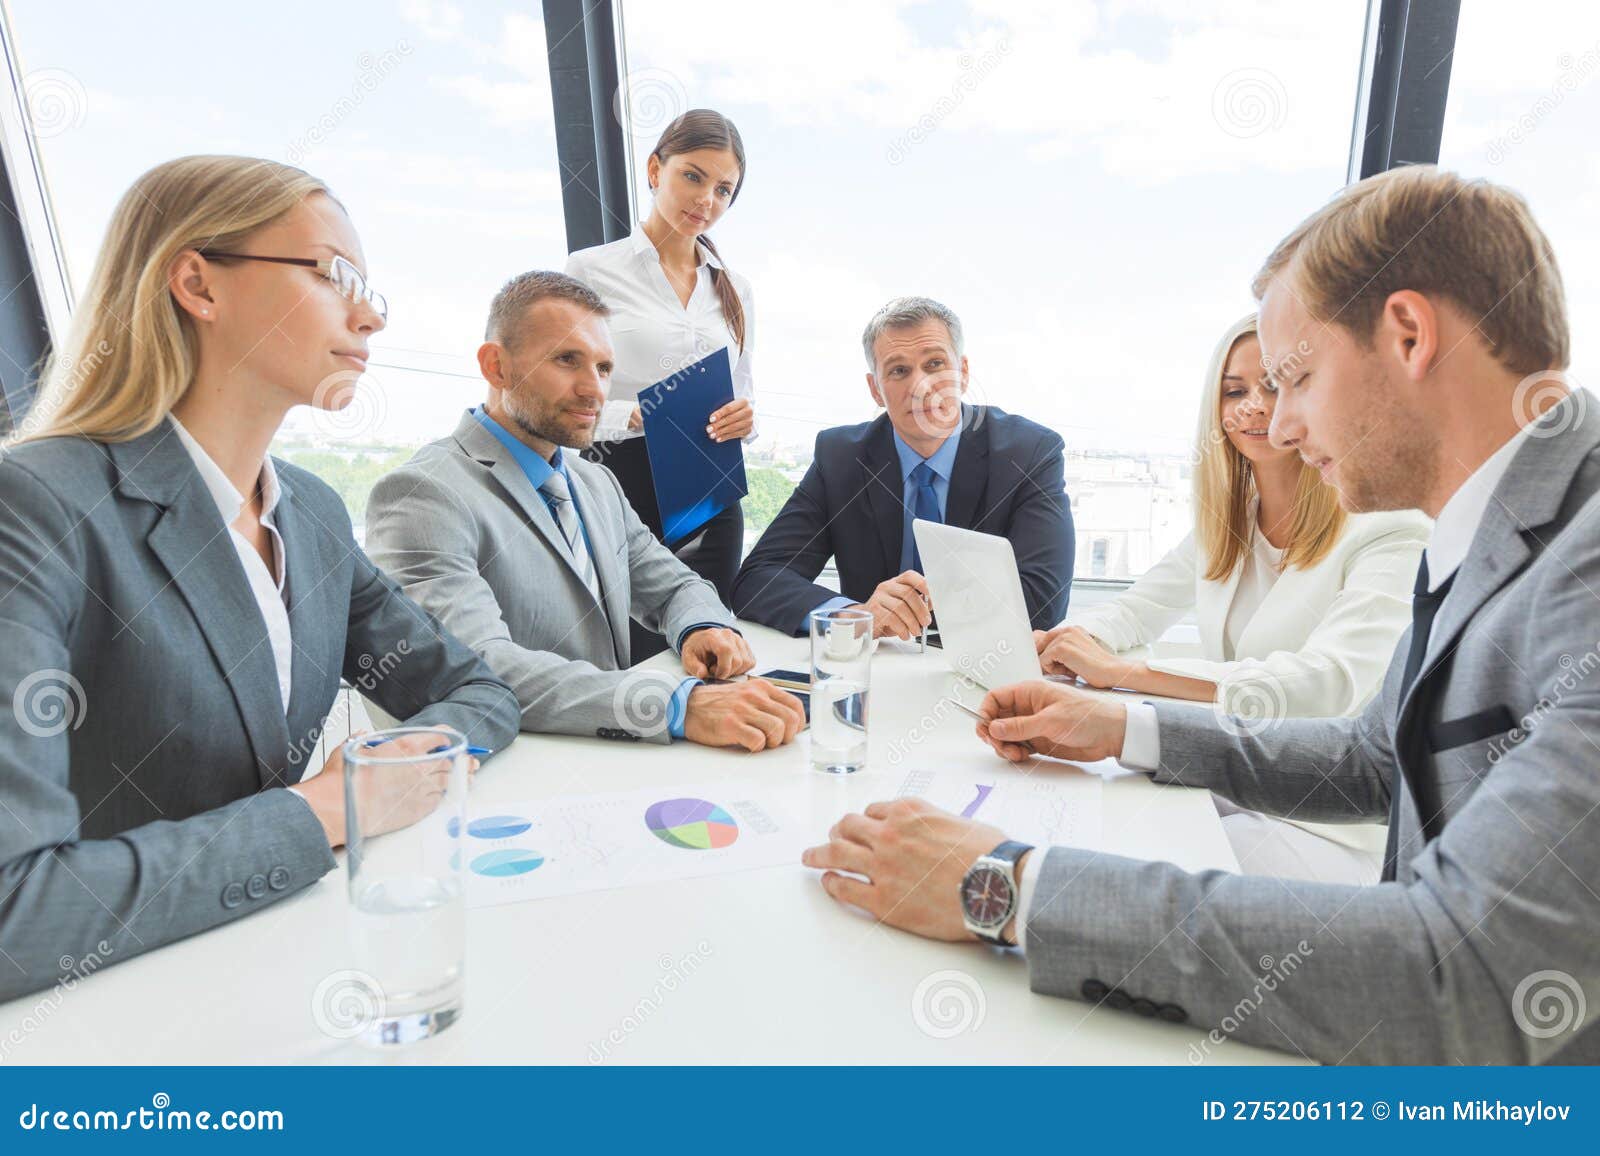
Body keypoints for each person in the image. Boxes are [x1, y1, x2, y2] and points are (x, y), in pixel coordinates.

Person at [802, 166, 1598, 1064]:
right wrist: (1124, 726)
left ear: (1410, 336)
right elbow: (1375, 757)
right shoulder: (1495, 522)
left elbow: (1463, 974)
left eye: (1295, 378)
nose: (1281, 425)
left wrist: (1005, 884)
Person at [0, 155, 520, 1002]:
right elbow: (15, 916)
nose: (368, 316)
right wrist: (325, 811)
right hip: (114, 1020)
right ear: (198, 285)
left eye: (372, 290)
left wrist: (393, 761)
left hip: (284, 966)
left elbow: (476, 691)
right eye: (332, 273)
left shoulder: (308, 511)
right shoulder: (37, 504)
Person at [1037, 312, 1428, 883]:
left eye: (1274, 386)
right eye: (1234, 390)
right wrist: (1071, 641)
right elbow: (1136, 608)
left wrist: (1128, 673)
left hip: (1328, 824)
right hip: (1238, 782)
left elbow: (1328, 682)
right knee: (1094, 803)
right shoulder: (1229, 522)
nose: (1252, 406)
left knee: (1146, 854)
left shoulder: (1386, 525)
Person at [365, 271, 804, 752]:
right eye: (567, 360)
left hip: (612, 760)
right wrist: (678, 704)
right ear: (496, 367)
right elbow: (482, 665)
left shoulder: (596, 482)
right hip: (520, 778)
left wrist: (702, 625)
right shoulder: (422, 494)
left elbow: (676, 585)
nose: (594, 390)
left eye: (603, 368)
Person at [733, 296, 1074, 638]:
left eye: (935, 364)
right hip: (880, 664)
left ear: (964, 373)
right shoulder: (840, 457)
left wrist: (921, 610)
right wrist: (855, 616)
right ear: (875, 389)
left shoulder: (1029, 453)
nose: (920, 386)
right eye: (899, 371)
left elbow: (1045, 599)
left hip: (983, 666)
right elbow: (759, 578)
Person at [564, 110, 755, 660]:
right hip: (618, 482)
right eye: (692, 176)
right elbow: (558, 394)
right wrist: (634, 414)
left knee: (709, 653)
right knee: (627, 657)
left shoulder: (735, 289)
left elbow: (744, 389)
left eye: (723, 190)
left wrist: (748, 418)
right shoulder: (591, 271)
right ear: (654, 169)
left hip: (709, 489)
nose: (706, 201)